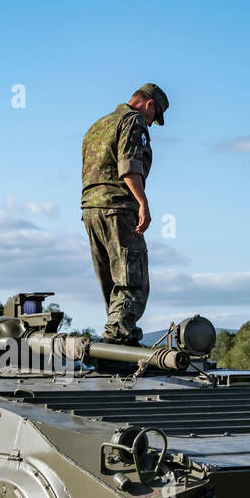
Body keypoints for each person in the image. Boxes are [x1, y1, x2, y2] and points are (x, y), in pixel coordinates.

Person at [80, 82, 169, 345]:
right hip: (118, 208)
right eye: (155, 116)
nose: (152, 123)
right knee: (132, 278)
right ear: (149, 104)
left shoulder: (98, 125)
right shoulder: (134, 121)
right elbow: (129, 167)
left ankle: (118, 337)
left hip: (91, 210)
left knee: (112, 279)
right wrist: (143, 202)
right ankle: (119, 341)